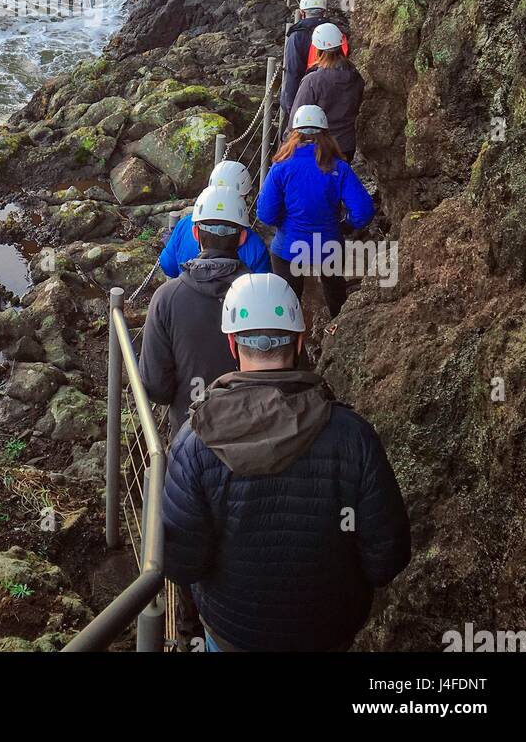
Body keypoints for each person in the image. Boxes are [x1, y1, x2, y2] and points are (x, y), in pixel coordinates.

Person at [161, 272, 411, 653]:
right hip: (328, 631)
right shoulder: (353, 435)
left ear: (232, 342)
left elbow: (181, 563)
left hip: (232, 633)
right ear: (298, 341)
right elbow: (386, 558)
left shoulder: (193, 443)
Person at [139, 185, 250, 431]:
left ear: (195, 233)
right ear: (242, 237)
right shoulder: (263, 293)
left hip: (189, 432)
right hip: (253, 430)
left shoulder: (166, 298)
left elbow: (156, 387)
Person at [256, 104, 373, 316]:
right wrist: (346, 225)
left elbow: (265, 213)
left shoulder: (281, 167)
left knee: (285, 304)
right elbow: (363, 210)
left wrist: (285, 222)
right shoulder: (339, 167)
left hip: (289, 246)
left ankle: (290, 341)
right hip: (328, 244)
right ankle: (338, 329)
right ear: (326, 133)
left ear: (294, 133)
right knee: (335, 292)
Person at [159, 160, 270, 278]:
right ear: (243, 197)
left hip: (186, 292)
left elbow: (168, 266)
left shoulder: (186, 224)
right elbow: (261, 289)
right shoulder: (254, 245)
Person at [289, 22, 365, 163]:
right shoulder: (355, 76)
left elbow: (296, 118)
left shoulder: (313, 80)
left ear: (317, 48)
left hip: (320, 146)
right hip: (346, 145)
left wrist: (286, 144)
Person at [280, 0, 347, 126]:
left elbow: (293, 72)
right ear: (323, 11)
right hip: (335, 106)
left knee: (303, 142)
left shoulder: (297, 36)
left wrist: (290, 108)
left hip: (304, 99)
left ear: (302, 12)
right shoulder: (335, 32)